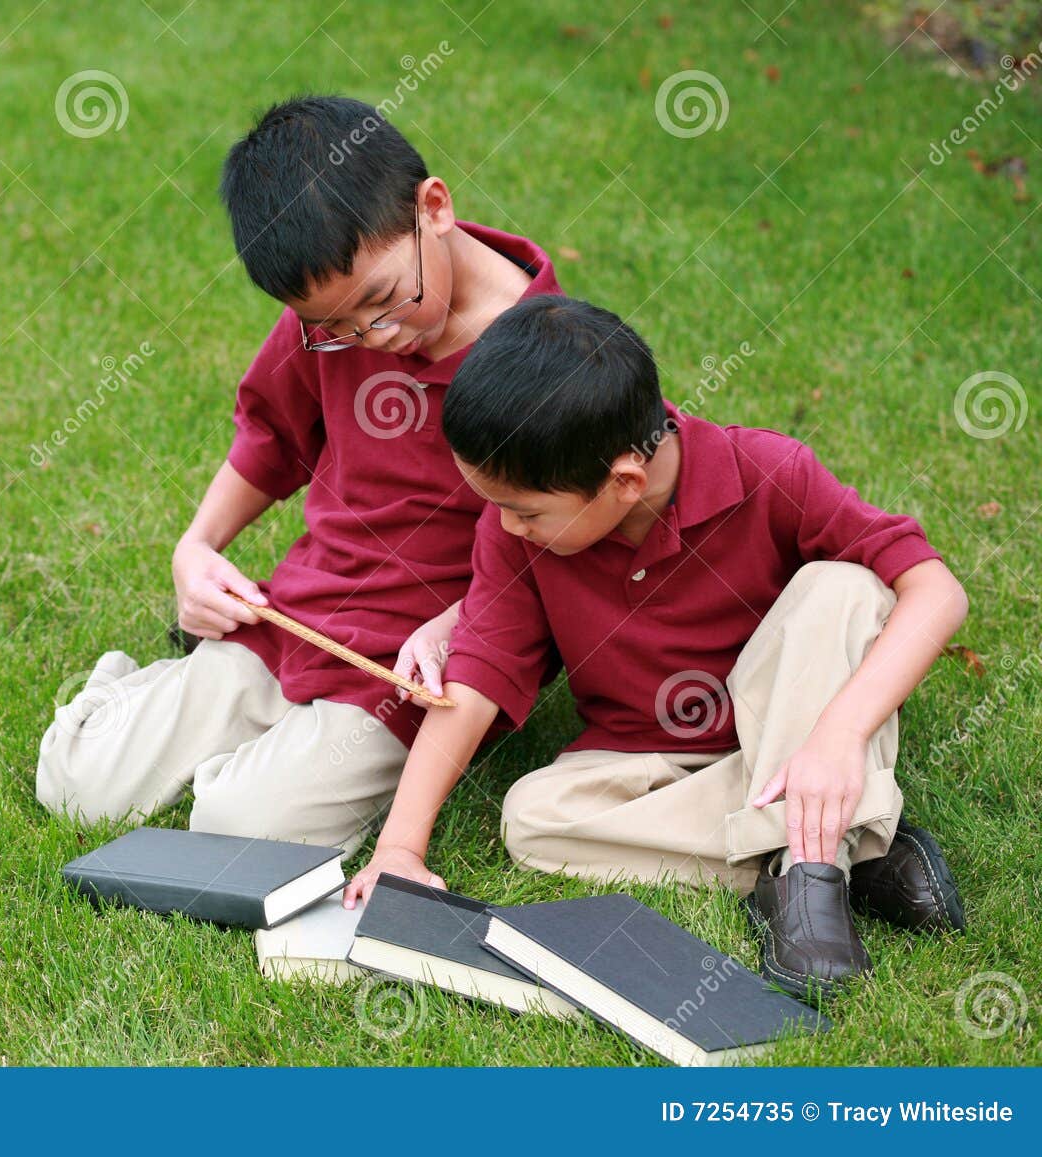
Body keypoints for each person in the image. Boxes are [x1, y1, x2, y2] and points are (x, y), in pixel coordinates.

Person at [344, 294, 969, 998]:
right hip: (650, 760)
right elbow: (477, 678)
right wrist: (401, 846)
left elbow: (937, 592)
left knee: (843, 588)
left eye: (524, 510)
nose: (506, 525)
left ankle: (812, 856)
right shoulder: (514, 531)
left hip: (791, 726)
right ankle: (831, 853)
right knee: (532, 819)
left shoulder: (770, 470)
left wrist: (838, 733)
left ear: (624, 483)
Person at [36, 94, 562, 853]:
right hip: (294, 622)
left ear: (435, 208)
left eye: (385, 302)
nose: (373, 337)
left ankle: (234, 752)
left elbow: (573, 534)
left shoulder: (555, 357)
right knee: (78, 789)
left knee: (242, 829)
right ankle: (144, 693)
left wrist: (462, 623)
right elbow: (272, 433)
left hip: (412, 677)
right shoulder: (332, 314)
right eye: (337, 329)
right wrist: (196, 546)